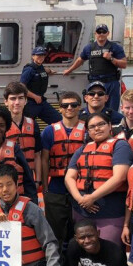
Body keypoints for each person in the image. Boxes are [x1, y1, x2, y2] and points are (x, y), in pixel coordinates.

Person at [65, 113, 133, 246]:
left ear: (109, 126)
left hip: (110, 213)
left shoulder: (120, 146)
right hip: (81, 211)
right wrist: (80, 199)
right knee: (84, 252)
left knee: (109, 250)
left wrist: (92, 197)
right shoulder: (83, 149)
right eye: (92, 127)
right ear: (88, 131)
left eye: (101, 124)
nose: (97, 129)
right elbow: (69, 177)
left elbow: (119, 177)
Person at [40, 91, 86, 247]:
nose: (69, 108)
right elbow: (44, 160)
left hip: (80, 187)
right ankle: (56, 260)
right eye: (65, 105)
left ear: (79, 107)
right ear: (59, 108)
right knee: (55, 231)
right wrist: (45, 187)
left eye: (73, 105)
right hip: (56, 187)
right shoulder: (49, 131)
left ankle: (77, 259)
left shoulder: (87, 130)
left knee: (80, 230)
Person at [62, 23, 127, 112]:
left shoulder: (115, 47)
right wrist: (69, 70)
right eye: (99, 32)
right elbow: (80, 60)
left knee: (112, 111)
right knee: (94, 110)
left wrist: (111, 58)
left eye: (103, 32)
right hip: (95, 84)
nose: (101, 34)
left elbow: (124, 64)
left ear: (108, 33)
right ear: (95, 34)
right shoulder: (89, 48)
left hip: (111, 83)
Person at [4, 81, 43, 186]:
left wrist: (37, 180)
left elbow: (37, 155)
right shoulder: (0, 125)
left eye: (21, 98)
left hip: (29, 179)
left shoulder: (33, 124)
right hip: (7, 179)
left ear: (25, 101)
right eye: (13, 98)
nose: (17, 102)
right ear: (6, 102)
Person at [19, 47, 60, 125]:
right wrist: (34, 96)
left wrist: (50, 71)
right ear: (33, 56)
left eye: (43, 55)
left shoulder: (41, 68)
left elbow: (44, 70)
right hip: (30, 103)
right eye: (38, 55)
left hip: (41, 102)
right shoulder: (29, 70)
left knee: (59, 121)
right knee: (26, 125)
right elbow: (21, 87)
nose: (41, 57)